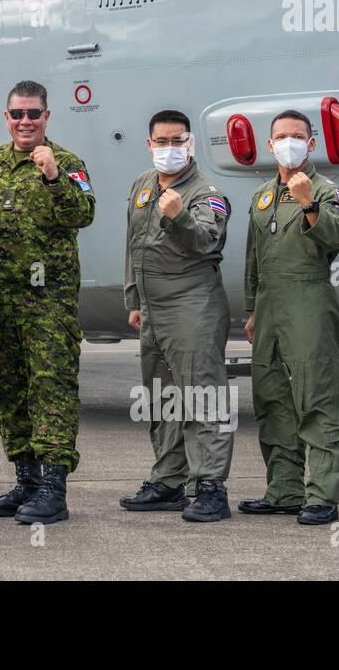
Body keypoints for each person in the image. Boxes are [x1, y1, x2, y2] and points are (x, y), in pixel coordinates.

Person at [0, 81, 95, 525]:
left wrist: (54, 179)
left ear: (47, 117)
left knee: (51, 388)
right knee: (7, 390)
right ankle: (25, 478)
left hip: (48, 303)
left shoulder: (66, 162)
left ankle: (52, 487)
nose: (25, 122)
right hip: (1, 302)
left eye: (34, 114)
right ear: (6, 118)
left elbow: (83, 214)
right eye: (17, 114)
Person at [120, 110, 234, 523]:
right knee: (162, 398)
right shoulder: (142, 184)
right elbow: (133, 244)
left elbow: (206, 240)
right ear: (149, 144)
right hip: (153, 308)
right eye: (161, 142)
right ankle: (168, 480)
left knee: (203, 396)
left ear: (190, 144)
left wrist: (179, 216)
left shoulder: (206, 193)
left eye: (177, 142)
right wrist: (134, 299)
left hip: (193, 304)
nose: (169, 149)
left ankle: (209, 487)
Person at [241, 110, 339, 525]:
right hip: (270, 304)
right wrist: (252, 309)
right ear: (270, 145)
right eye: (281, 136)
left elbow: (338, 235)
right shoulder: (263, 195)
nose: (289, 141)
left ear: (311, 144)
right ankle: (284, 490)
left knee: (317, 395)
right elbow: (253, 257)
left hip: (308, 298)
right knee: (272, 397)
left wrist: (309, 203)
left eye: (298, 136)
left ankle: (322, 495)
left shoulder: (326, 190)